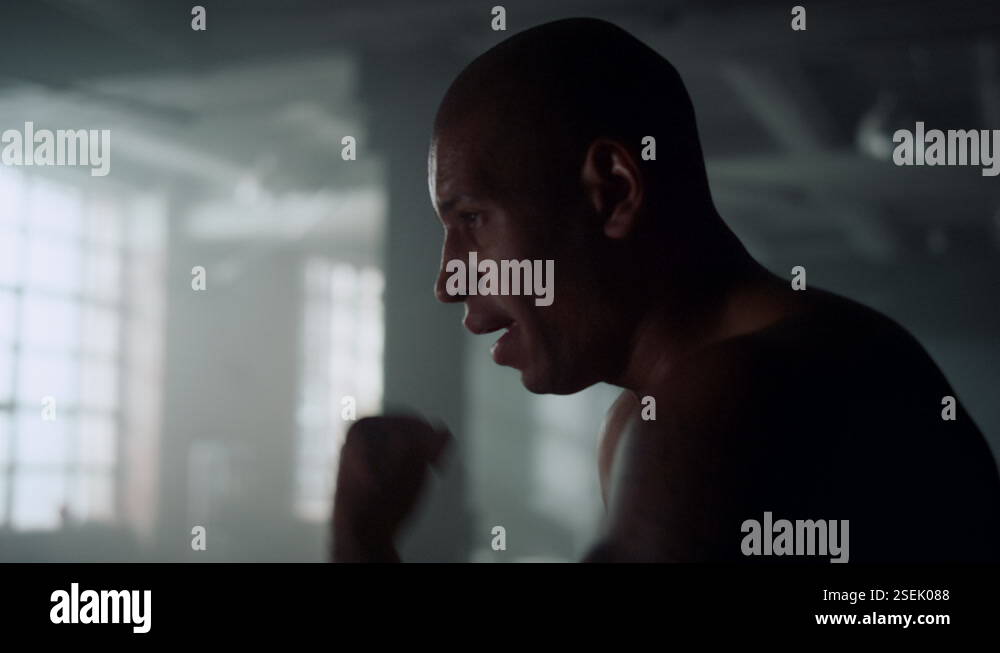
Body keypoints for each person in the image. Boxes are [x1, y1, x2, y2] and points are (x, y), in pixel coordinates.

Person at [332, 18, 1000, 562]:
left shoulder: (732, 400)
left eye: (473, 218)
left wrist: (359, 537)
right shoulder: (657, 411)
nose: (448, 281)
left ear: (613, 191)